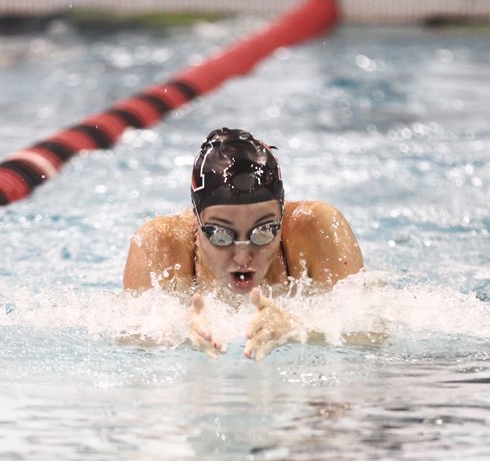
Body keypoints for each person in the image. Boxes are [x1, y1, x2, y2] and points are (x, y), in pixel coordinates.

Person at [123, 127, 364, 360]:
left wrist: (297, 328)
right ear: (196, 219)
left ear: (281, 216)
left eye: (263, 232)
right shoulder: (159, 245)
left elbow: (372, 333)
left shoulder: (315, 229)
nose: (242, 256)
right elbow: (128, 343)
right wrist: (173, 332)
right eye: (220, 235)